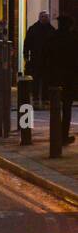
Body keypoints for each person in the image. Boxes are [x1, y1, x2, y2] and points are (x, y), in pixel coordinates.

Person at [51, 16, 78, 144]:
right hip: (69, 78)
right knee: (67, 107)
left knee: (55, 107)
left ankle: (55, 135)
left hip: (55, 77)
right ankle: (63, 136)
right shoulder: (72, 38)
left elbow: (47, 56)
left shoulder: (53, 37)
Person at [24, 11, 55, 106]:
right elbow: (27, 43)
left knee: (46, 79)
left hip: (46, 59)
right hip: (36, 58)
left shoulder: (51, 29)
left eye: (46, 17)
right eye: (43, 17)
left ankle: (45, 97)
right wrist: (26, 55)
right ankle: (36, 97)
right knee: (36, 79)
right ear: (39, 17)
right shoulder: (34, 29)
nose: (44, 18)